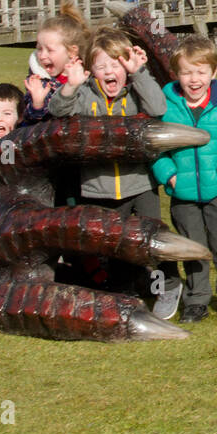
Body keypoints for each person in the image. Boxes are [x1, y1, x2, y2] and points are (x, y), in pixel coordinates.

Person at [49, 28, 180, 317]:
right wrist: (70, 86)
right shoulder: (83, 96)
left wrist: (139, 73)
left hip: (140, 183)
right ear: (91, 69)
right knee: (116, 243)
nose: (110, 71)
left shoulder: (135, 93)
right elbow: (58, 113)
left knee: (152, 237)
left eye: (115, 64)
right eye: (101, 65)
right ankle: (125, 294)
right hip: (99, 186)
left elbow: (158, 107)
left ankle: (168, 285)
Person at [150, 34, 217, 326]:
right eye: (186, 72)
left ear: (213, 73)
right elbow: (156, 146)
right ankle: (197, 299)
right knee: (192, 247)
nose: (194, 79)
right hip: (181, 193)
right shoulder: (166, 106)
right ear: (176, 74)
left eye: (201, 72)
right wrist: (168, 174)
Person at [23, 3, 92, 125]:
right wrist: (37, 104)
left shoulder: (89, 77)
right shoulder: (38, 81)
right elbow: (29, 121)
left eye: (50, 50)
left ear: (71, 51)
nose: (43, 56)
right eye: (39, 49)